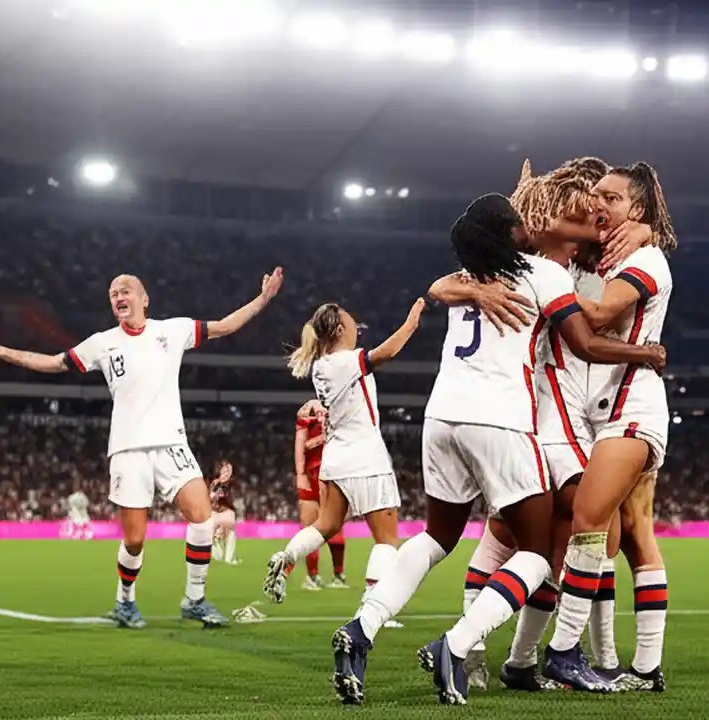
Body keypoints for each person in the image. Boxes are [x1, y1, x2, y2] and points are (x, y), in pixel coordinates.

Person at [330, 193, 666, 706]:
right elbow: (585, 341)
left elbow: (438, 286)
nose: (528, 226)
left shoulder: (468, 274)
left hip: (441, 417)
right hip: (501, 420)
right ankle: (458, 644)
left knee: (436, 538)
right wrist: (646, 351)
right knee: (535, 554)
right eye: (518, 223)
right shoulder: (540, 273)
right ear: (510, 235)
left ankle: (361, 627)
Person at [0, 268, 284, 629]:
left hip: (172, 442)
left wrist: (263, 299)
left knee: (203, 520)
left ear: (144, 299)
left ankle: (195, 599)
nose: (118, 296)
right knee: (134, 540)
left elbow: (225, 325)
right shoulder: (102, 342)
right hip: (129, 448)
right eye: (113, 293)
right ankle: (124, 602)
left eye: (125, 290)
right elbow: (53, 363)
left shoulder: (171, 331)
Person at [545, 162, 677, 693]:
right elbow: (553, 226)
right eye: (594, 195)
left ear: (637, 210)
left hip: (632, 409)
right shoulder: (606, 255)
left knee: (587, 520)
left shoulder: (646, 259)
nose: (597, 202)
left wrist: (546, 282)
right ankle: (645, 668)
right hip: (603, 412)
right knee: (634, 537)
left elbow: (597, 316)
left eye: (611, 197)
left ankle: (561, 652)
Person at [261, 298, 425, 609]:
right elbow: (387, 352)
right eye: (352, 325)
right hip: (365, 456)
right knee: (387, 540)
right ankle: (372, 607)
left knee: (327, 525)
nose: (357, 330)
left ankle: (286, 558)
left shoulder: (323, 366)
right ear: (339, 329)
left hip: (336, 458)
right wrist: (412, 321)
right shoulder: (343, 362)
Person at [292, 400, 349, 591]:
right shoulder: (308, 413)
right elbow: (301, 447)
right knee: (313, 527)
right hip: (314, 476)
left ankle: (337, 575)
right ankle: (315, 576)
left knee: (333, 529)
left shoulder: (338, 411)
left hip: (329, 475)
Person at [210, 460, 240, 565]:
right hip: (215, 512)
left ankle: (229, 559)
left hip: (226, 511)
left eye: (229, 470)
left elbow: (223, 491)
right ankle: (219, 558)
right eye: (225, 469)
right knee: (215, 535)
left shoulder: (230, 483)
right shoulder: (215, 483)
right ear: (220, 471)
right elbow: (210, 498)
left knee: (230, 532)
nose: (228, 472)